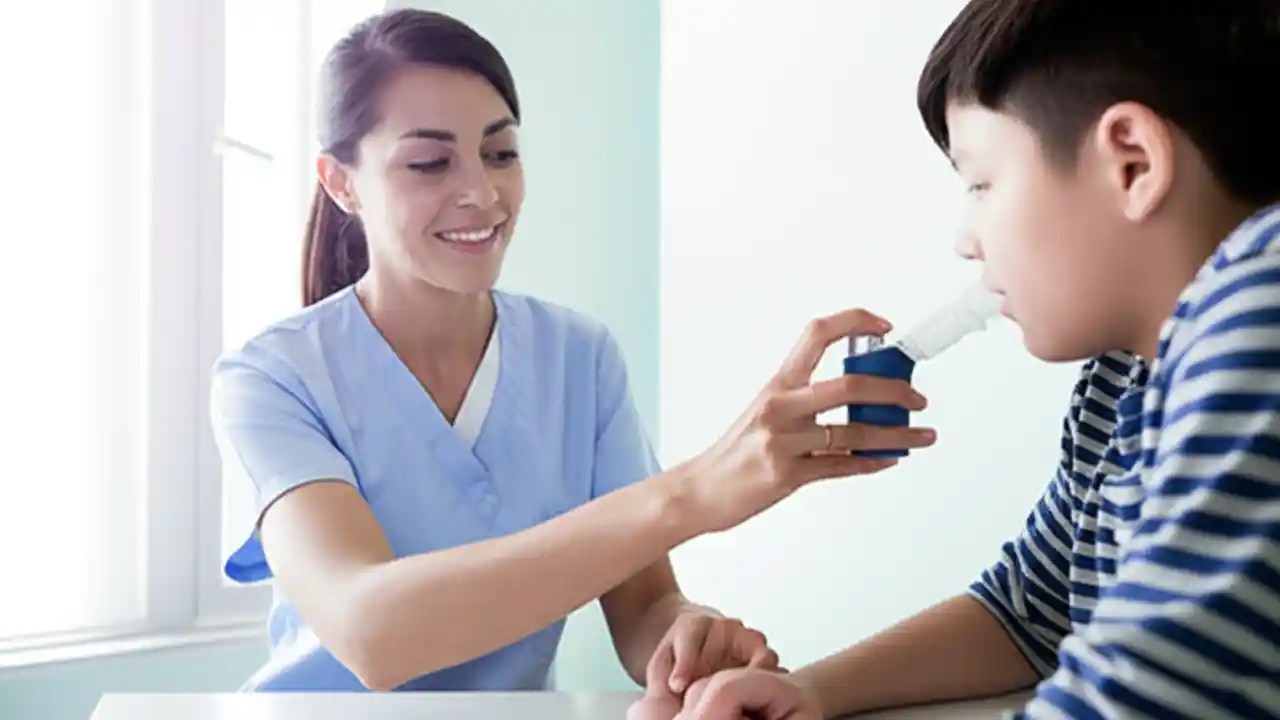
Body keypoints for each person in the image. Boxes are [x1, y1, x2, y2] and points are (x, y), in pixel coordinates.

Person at [209, 9, 936, 693]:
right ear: (341, 182)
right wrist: (693, 493)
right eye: (429, 164)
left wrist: (689, 640)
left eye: (501, 153)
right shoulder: (273, 378)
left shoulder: (578, 358)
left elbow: (645, 605)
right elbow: (371, 632)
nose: (481, 192)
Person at [662, 1, 1280, 718]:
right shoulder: (1121, 383)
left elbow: (1152, 691)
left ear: (1132, 163)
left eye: (981, 184)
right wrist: (810, 691)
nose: (966, 238)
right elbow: (1030, 612)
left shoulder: (1264, 295)